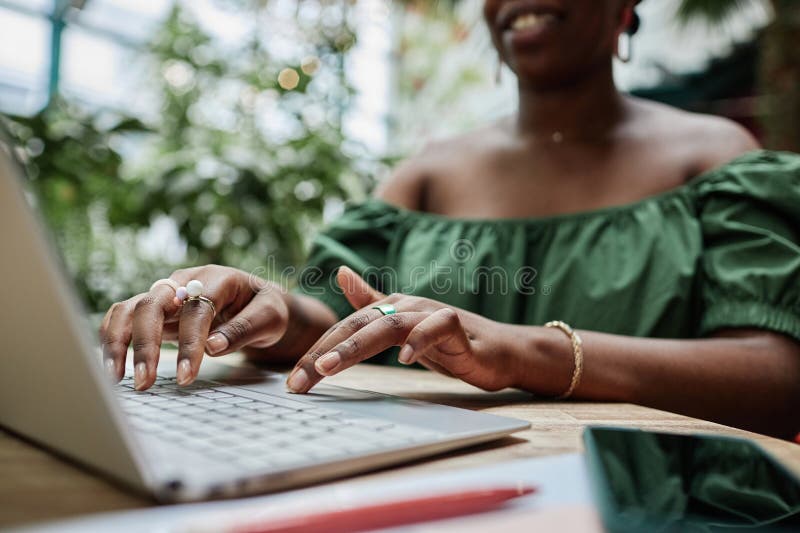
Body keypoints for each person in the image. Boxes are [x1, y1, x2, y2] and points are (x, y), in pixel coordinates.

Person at [99, 0, 800, 439]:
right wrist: (265, 303)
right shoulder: (427, 172)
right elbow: (330, 321)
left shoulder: (717, 159)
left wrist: (522, 350)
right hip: (449, 487)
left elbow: (777, 376)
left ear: (626, 9)